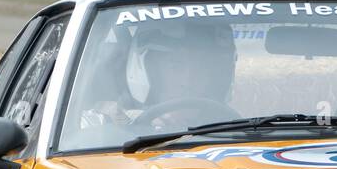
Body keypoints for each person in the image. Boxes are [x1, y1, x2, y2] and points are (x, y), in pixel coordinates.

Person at [81, 18, 237, 129]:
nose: (188, 80)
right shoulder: (109, 120)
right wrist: (132, 122)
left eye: (201, 67)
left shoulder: (239, 128)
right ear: (150, 71)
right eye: (176, 65)